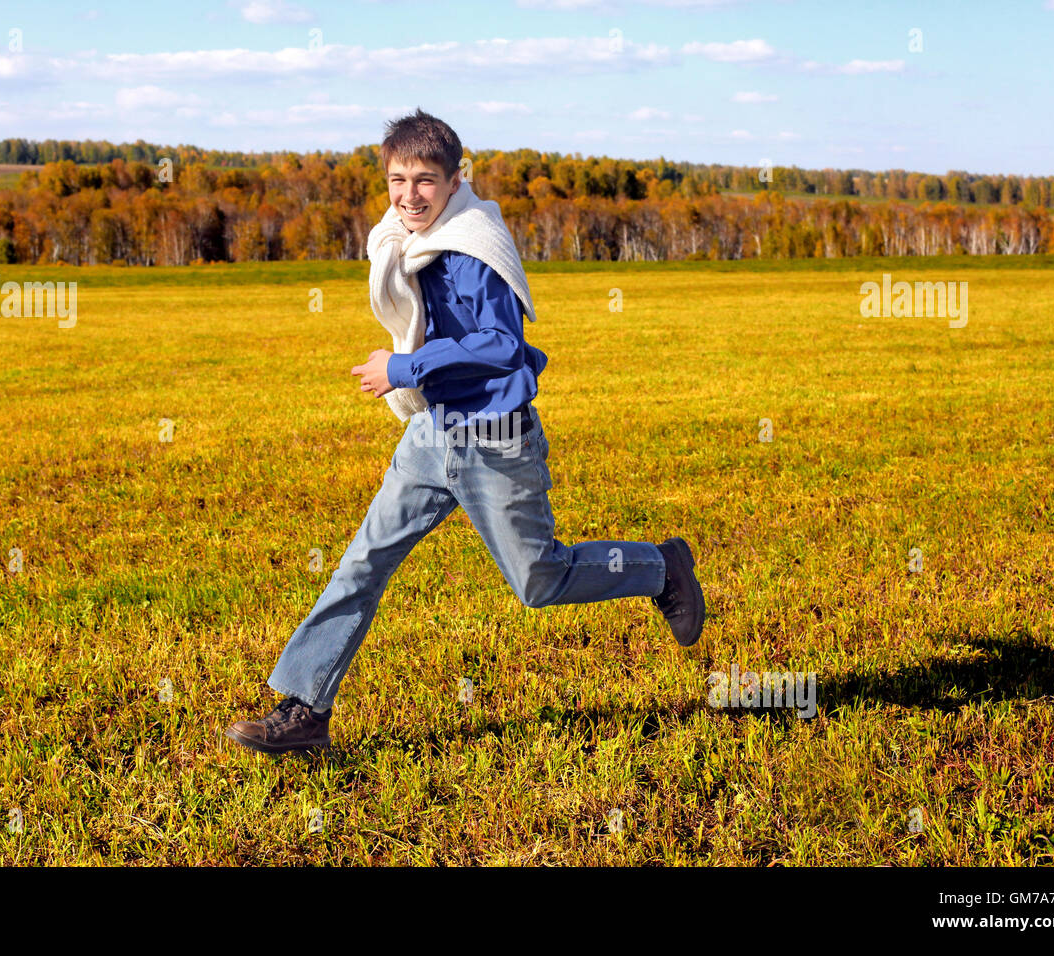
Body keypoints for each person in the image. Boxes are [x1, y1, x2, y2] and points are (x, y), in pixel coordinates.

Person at [226, 108, 704, 756]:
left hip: (496, 445)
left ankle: (660, 567)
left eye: (425, 180)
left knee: (540, 583)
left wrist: (403, 366)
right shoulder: (404, 238)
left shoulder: (476, 246)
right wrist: (412, 371)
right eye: (398, 179)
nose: (409, 194)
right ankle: (306, 710)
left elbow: (503, 346)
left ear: (455, 181)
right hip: (431, 437)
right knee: (362, 564)